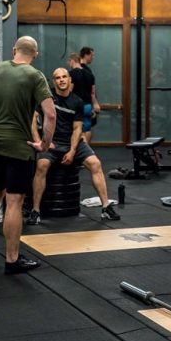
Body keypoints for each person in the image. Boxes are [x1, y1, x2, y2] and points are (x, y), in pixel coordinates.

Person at [0, 36, 56, 275]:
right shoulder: (35, 76)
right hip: (19, 146)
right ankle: (12, 259)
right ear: (34, 55)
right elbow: (51, 114)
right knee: (14, 201)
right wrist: (44, 143)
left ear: (14, 50)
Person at [27, 67, 120, 225]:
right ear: (54, 81)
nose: (62, 80)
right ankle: (35, 211)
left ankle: (106, 207)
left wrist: (72, 151)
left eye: (64, 77)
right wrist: (40, 143)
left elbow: (77, 129)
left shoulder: (77, 101)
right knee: (41, 165)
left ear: (70, 80)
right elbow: (33, 121)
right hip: (51, 142)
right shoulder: (46, 97)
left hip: (71, 141)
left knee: (96, 164)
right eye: (58, 78)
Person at [68, 47, 101, 144]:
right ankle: (87, 150)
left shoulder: (71, 74)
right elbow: (93, 93)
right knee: (87, 129)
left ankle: (79, 150)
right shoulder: (89, 74)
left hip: (76, 106)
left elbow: (69, 91)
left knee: (77, 129)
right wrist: (95, 104)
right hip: (87, 106)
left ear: (72, 61)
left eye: (69, 62)